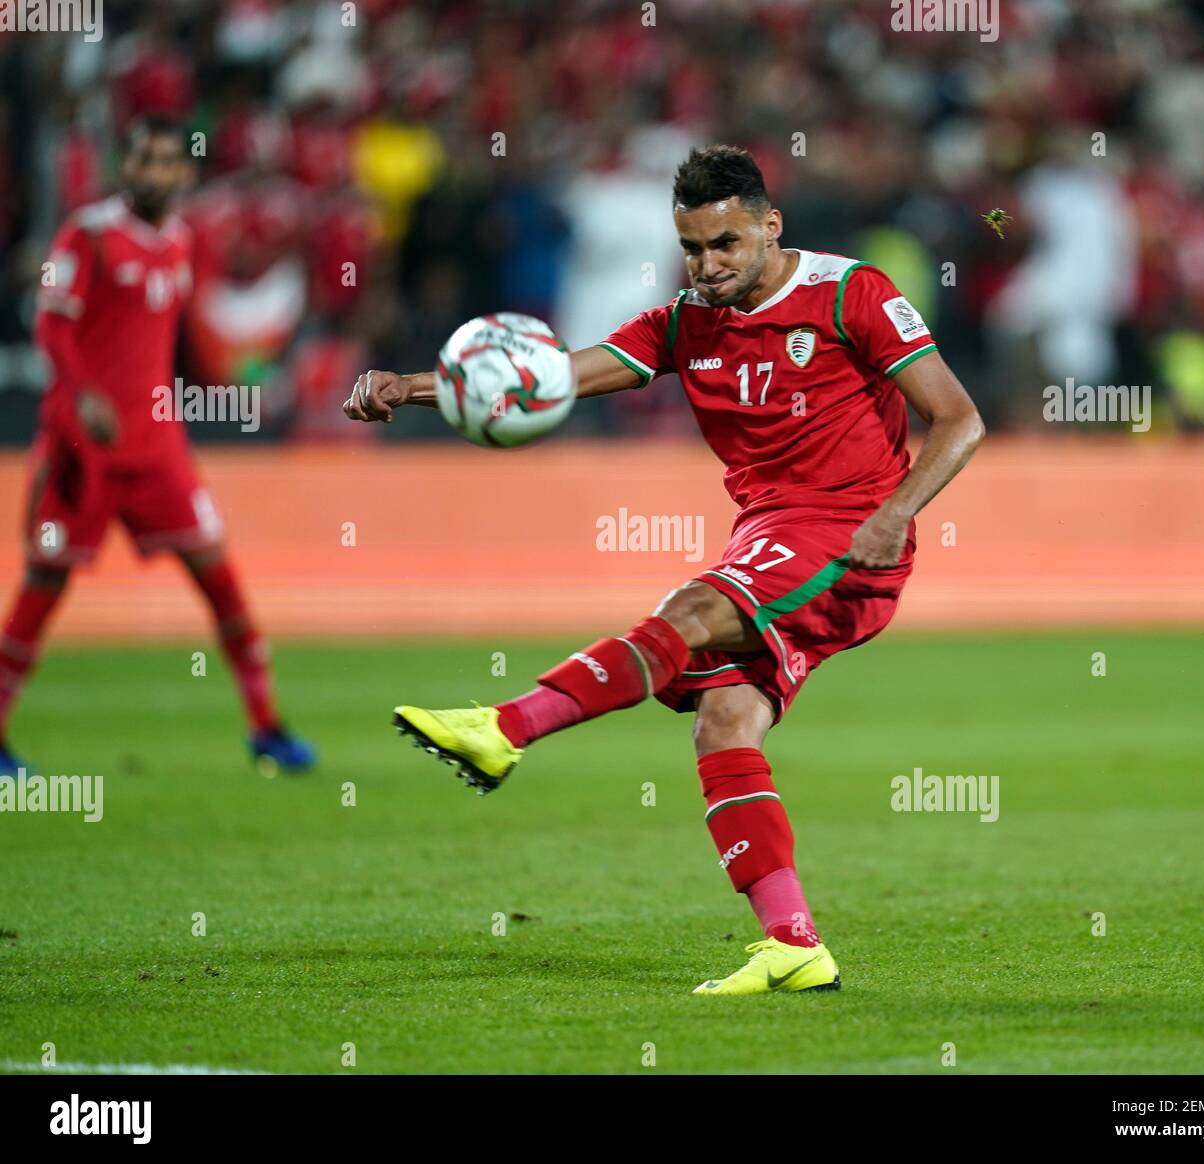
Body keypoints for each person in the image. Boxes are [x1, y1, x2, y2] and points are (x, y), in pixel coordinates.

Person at [343, 145, 983, 994]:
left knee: (686, 613)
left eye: (725, 244)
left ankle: (506, 728)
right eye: (691, 247)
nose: (707, 264)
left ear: (769, 227)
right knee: (722, 719)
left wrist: (894, 516)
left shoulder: (848, 293)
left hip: (846, 534)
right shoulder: (686, 322)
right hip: (767, 534)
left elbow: (960, 419)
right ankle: (793, 943)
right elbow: (548, 380)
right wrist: (408, 384)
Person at [0, 118, 314, 779]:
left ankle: (267, 727)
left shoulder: (181, 239)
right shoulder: (87, 235)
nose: (154, 171)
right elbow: (53, 327)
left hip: (158, 449)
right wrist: (82, 394)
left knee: (217, 575)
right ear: (127, 165)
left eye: (167, 162)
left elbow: (174, 337)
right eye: (143, 158)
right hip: (82, 448)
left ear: (183, 174)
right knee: (45, 582)